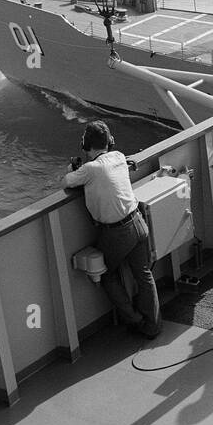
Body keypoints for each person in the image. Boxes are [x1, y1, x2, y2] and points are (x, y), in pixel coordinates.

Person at [64, 120, 161, 339]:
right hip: (138, 221)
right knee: (143, 274)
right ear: (109, 142)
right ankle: (153, 326)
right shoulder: (118, 156)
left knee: (106, 274)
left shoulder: (89, 169)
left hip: (118, 232)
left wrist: (72, 169)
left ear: (86, 144)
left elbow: (66, 182)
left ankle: (134, 320)